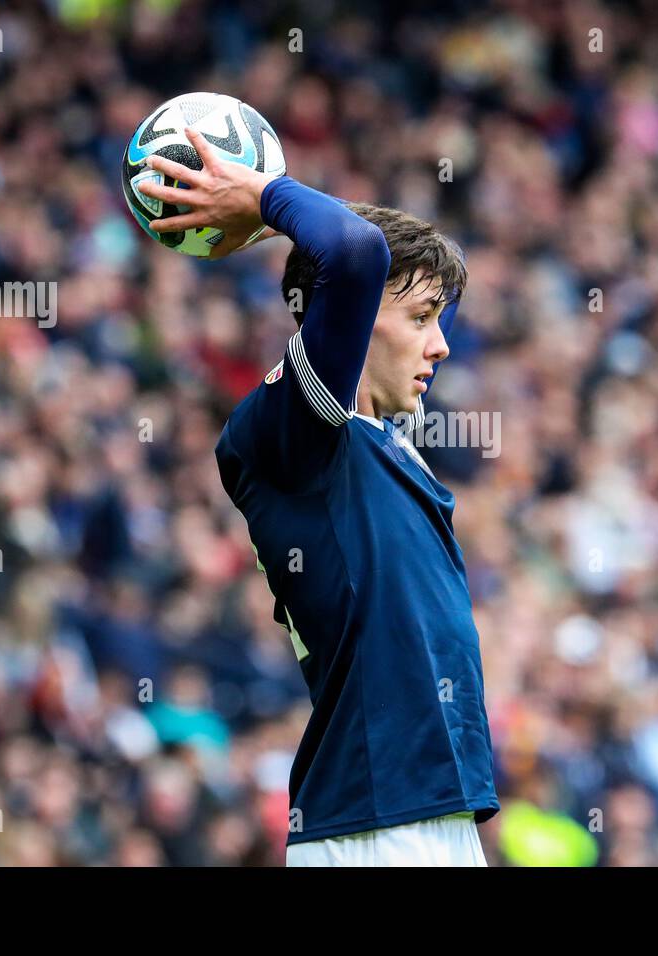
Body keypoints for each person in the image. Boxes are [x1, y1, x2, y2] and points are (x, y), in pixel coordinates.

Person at [136, 129, 499, 866]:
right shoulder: (294, 428)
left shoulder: (378, 437)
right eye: (422, 320)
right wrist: (264, 199)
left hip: (428, 812)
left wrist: (421, 282)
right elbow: (355, 253)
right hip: (374, 821)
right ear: (356, 316)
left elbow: (382, 268)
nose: (442, 345)